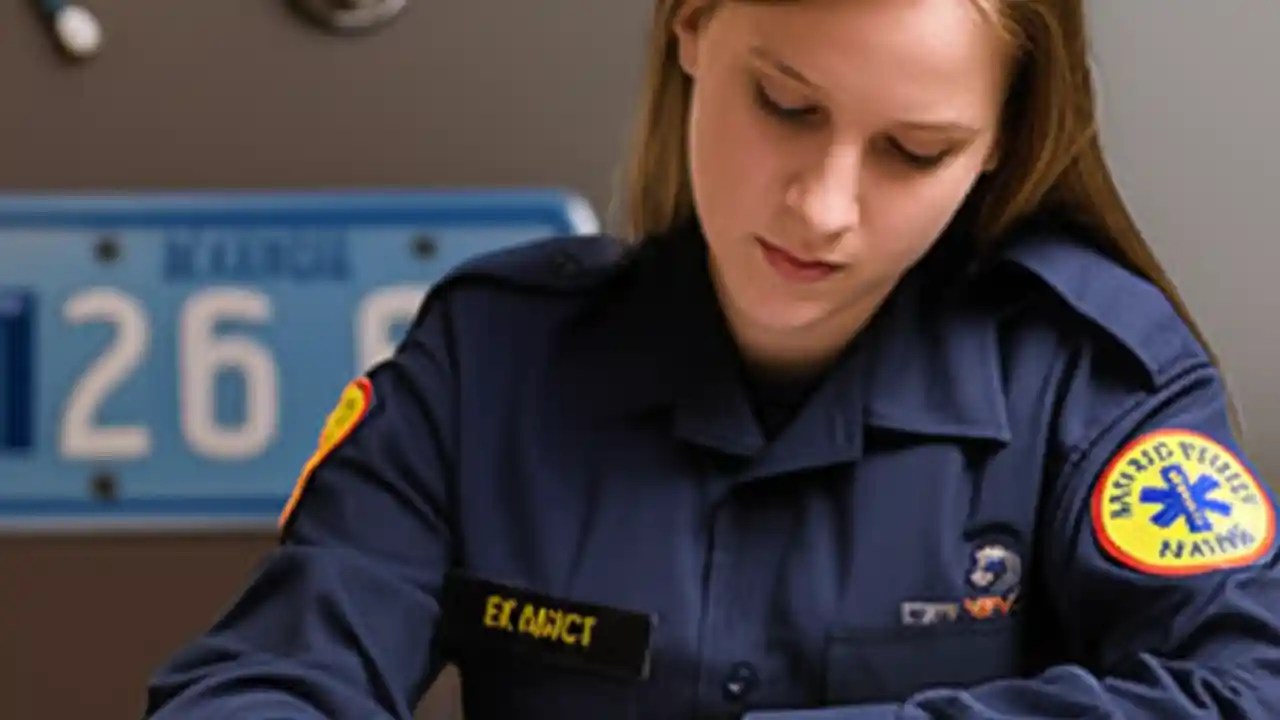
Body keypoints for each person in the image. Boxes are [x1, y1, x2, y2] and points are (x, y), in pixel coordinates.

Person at [144, 0, 1280, 718]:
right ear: (689, 27)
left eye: (913, 151)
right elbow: (275, 675)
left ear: (995, 149)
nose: (824, 208)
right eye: (784, 105)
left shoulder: (1091, 382)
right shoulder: (485, 362)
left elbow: (1242, 688)